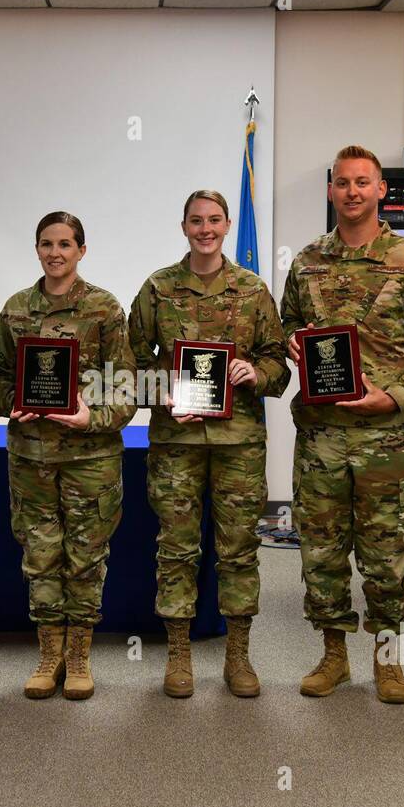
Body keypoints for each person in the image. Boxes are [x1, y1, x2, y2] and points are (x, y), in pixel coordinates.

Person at [280, 144, 404, 704]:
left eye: (363, 183)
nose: (352, 192)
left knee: (386, 552)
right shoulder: (307, 260)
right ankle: (333, 655)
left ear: (382, 190)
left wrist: (396, 395)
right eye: (342, 183)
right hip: (321, 435)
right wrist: (289, 344)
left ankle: (388, 659)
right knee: (321, 551)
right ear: (331, 190)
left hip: (389, 438)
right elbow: (288, 324)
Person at [128, 190, 290, 698]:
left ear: (226, 226)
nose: (205, 228)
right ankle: (178, 653)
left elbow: (279, 364)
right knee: (176, 548)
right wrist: (167, 384)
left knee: (239, 548)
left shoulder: (252, 290)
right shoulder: (157, 289)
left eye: (214, 220)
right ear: (184, 227)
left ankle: (237, 654)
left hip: (238, 442)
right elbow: (128, 367)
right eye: (196, 220)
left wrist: (253, 371)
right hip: (176, 441)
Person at [0, 212, 136, 700]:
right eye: (47, 244)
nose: (56, 252)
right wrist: (14, 404)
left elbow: (126, 389)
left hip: (90, 458)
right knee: (40, 554)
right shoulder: (14, 310)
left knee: (86, 558)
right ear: (37, 250)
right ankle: (48, 654)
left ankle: (78, 659)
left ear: (81, 251)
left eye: (66, 244)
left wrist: (88, 417)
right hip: (31, 457)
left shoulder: (104, 309)